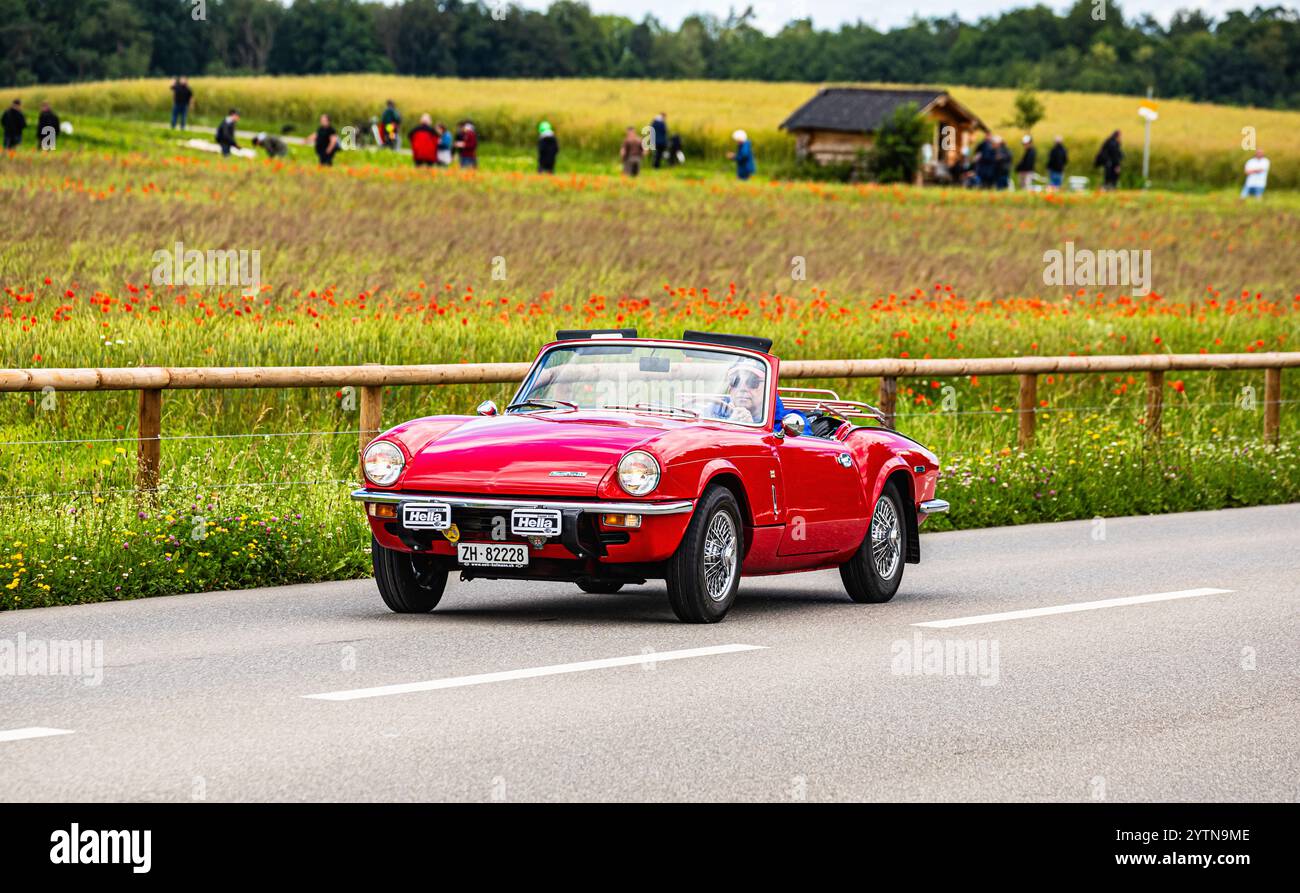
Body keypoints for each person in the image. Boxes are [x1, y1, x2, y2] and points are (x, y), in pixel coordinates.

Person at [709, 359, 808, 434]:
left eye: (753, 381)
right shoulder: (715, 409)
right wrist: (726, 423)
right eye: (735, 381)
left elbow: (801, 450)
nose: (742, 388)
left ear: (768, 387)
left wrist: (754, 430)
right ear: (729, 387)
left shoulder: (792, 420)